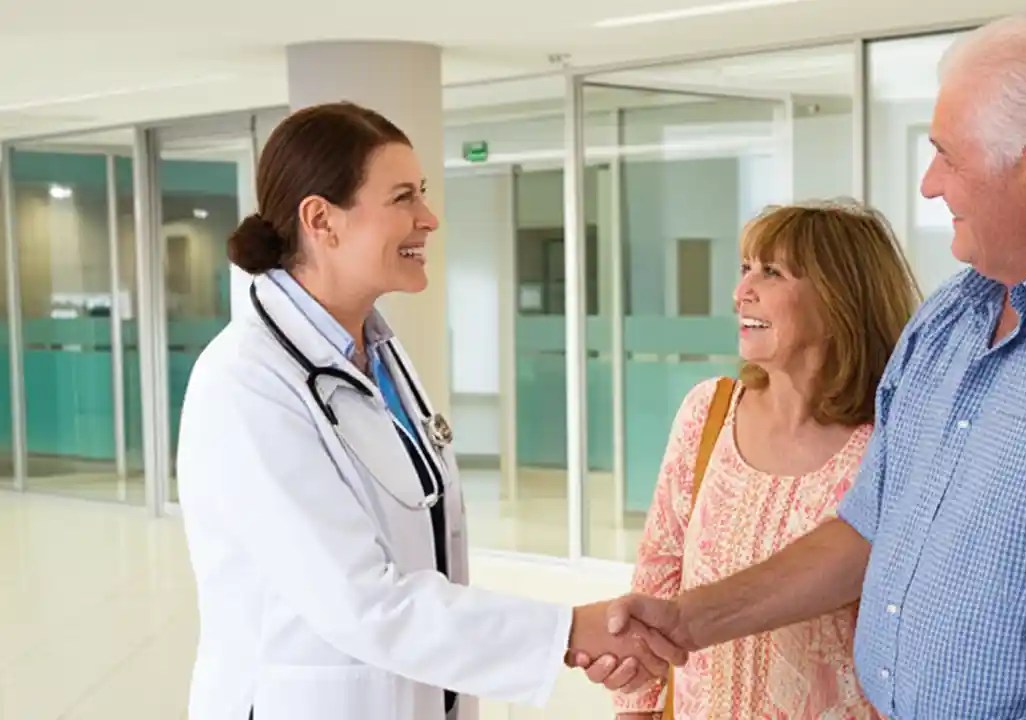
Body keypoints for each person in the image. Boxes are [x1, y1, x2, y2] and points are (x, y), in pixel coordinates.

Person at [602, 15, 1026, 720]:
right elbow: (866, 529)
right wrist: (687, 621)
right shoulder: (950, 318)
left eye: (948, 157)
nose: (928, 184)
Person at [175, 101, 683, 720]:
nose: (429, 218)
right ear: (321, 219)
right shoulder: (247, 381)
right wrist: (570, 630)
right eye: (402, 198)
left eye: (423, 193)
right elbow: (360, 601)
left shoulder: (377, 354)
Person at [607, 201, 918, 719]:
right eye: (745, 268)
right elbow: (657, 576)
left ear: (840, 298)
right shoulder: (707, 412)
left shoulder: (889, 444)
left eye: (770, 272)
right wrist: (634, 709)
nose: (741, 292)